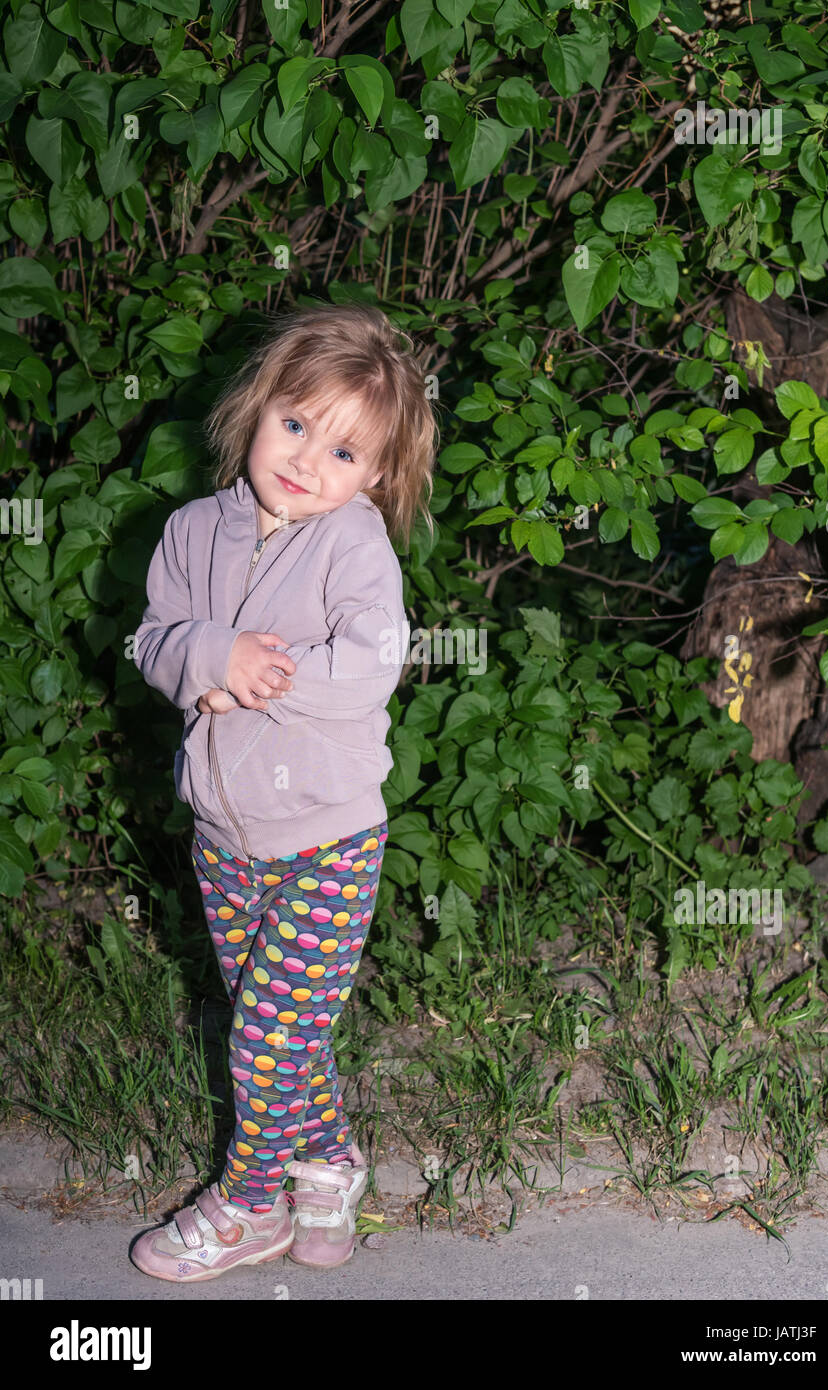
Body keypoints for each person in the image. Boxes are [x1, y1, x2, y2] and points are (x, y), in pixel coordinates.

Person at [129, 302, 437, 1280]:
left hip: (326, 840)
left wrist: (271, 674)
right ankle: (332, 1164)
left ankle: (250, 1200)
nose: (308, 460)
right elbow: (152, 637)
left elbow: (372, 660)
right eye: (296, 424)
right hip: (224, 837)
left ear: (376, 475)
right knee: (281, 1034)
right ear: (257, 408)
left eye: (345, 452)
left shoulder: (354, 548)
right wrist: (210, 655)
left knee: (263, 1035)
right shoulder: (190, 530)